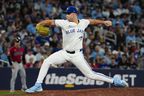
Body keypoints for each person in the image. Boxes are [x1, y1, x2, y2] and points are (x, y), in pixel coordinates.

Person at [25, 6, 128, 93]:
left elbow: (92, 21)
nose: (66, 15)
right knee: (46, 61)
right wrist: (40, 24)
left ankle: (114, 80)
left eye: (68, 13)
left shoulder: (83, 22)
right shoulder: (64, 23)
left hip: (77, 55)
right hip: (64, 53)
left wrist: (103, 22)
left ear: (73, 14)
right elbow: (50, 22)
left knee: (91, 75)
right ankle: (38, 85)